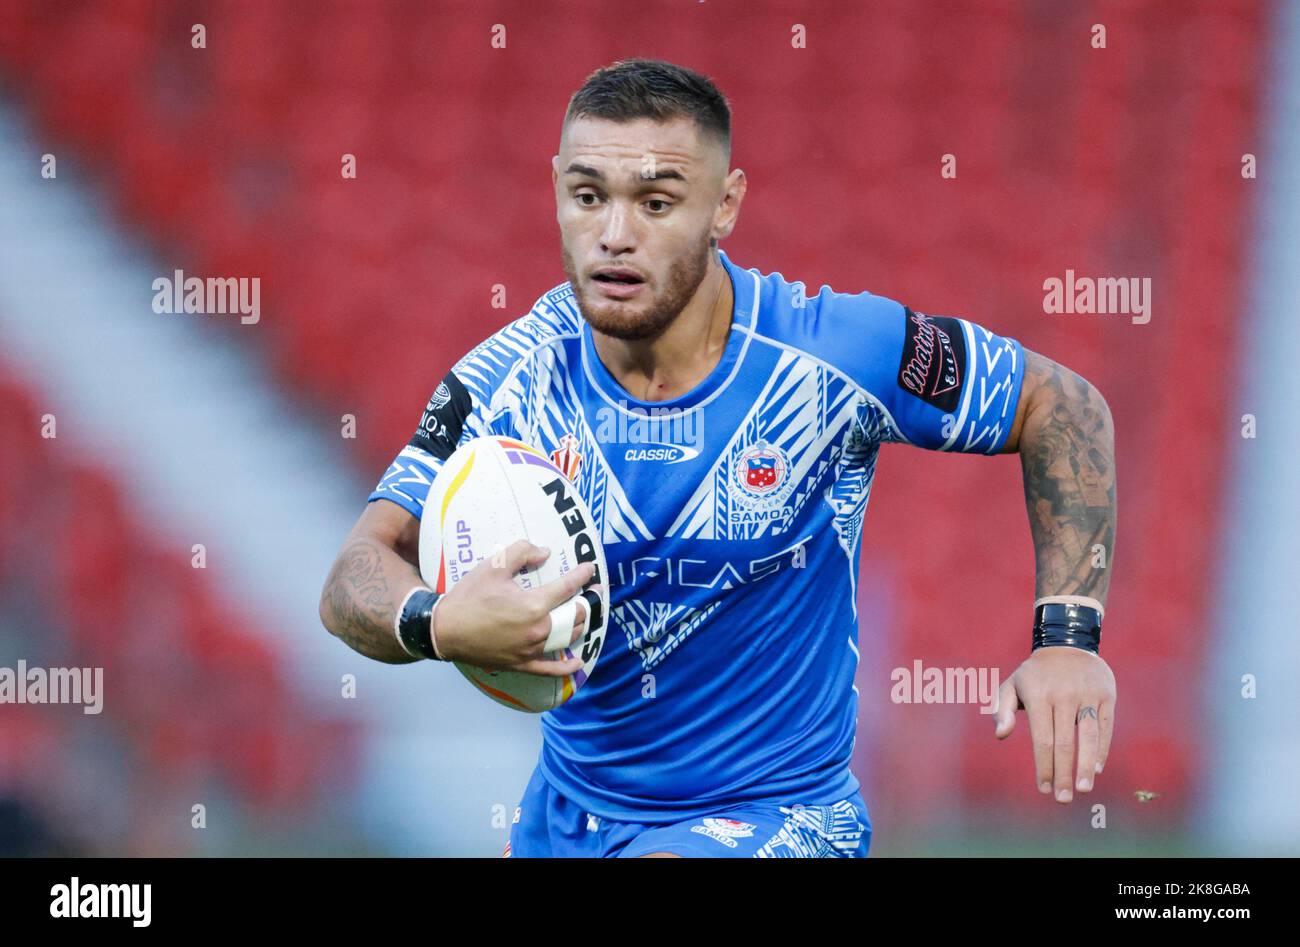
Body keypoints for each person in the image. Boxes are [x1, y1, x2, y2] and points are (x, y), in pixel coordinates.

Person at [319, 58, 1117, 858]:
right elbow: (355, 573)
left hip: (781, 817)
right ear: (556, 188)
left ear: (724, 204)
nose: (615, 234)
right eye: (588, 195)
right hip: (565, 819)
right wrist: (438, 621)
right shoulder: (505, 381)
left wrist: (1067, 638)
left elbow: (1064, 404)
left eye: (656, 202)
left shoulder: (832, 354)